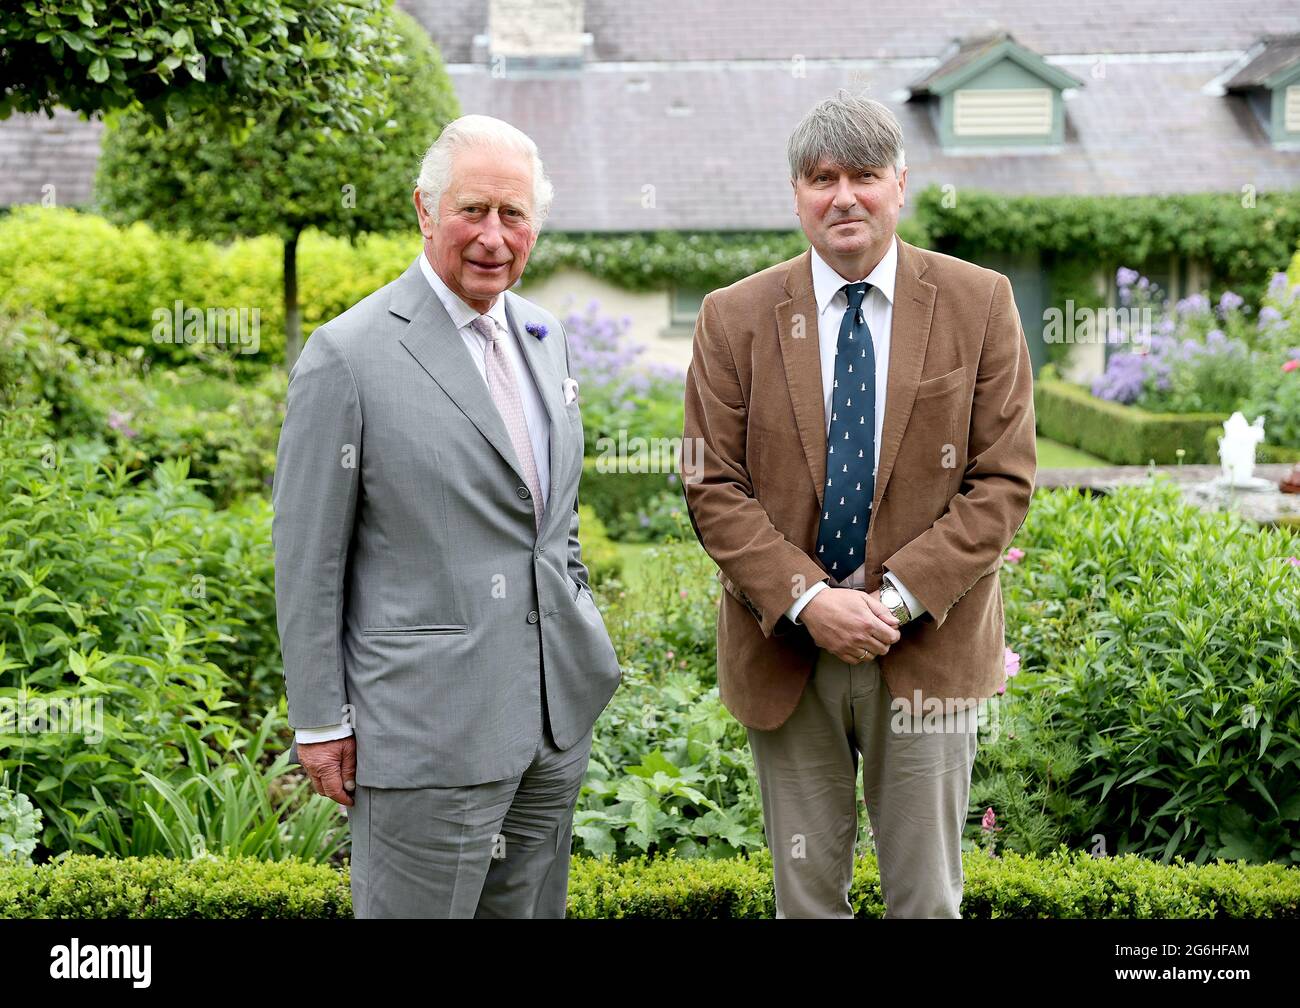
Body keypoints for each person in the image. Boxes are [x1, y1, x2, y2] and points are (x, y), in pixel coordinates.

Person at [681, 93, 1037, 918]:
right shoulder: (731, 319)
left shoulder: (979, 303)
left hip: (928, 650)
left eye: (865, 176)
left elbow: (1003, 481)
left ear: (900, 186)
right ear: (797, 194)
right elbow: (711, 485)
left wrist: (893, 599)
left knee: (925, 901)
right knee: (805, 904)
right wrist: (810, 601)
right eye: (821, 177)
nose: (844, 196)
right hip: (787, 654)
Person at [272, 114, 621, 918]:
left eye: (515, 215)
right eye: (473, 211)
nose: (494, 237)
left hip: (551, 725)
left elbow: (553, 523)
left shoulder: (545, 335)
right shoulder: (347, 355)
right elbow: (308, 559)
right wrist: (321, 721)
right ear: (425, 211)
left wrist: (580, 629)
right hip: (424, 734)